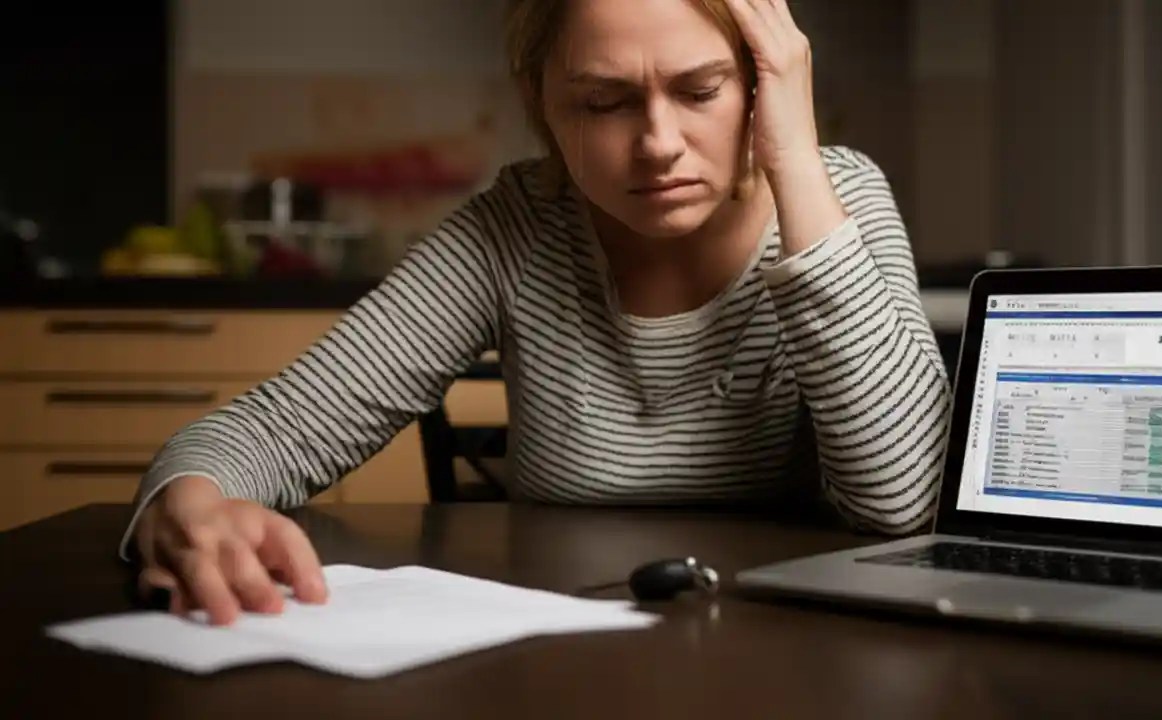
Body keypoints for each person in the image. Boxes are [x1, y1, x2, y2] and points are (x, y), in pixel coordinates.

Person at [127, 0, 952, 625]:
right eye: (603, 102)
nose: (659, 141)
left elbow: (901, 502)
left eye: (702, 89)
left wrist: (795, 159)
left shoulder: (836, 196)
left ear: (764, 84)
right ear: (545, 108)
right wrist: (191, 503)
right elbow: (274, 430)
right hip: (564, 645)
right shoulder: (518, 224)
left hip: (800, 655)